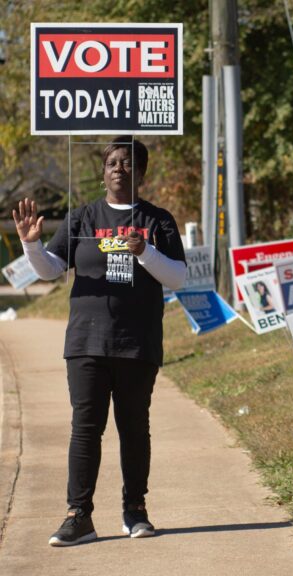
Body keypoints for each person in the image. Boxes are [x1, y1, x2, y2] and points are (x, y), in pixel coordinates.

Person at [13, 136, 187, 546]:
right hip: (86, 343)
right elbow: (50, 270)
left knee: (133, 428)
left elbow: (178, 277)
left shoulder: (158, 220)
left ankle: (136, 511)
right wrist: (30, 242)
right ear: (103, 170)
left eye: (127, 163)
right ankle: (79, 517)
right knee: (85, 429)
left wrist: (145, 251)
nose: (118, 169)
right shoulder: (82, 218)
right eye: (111, 162)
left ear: (141, 173)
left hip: (137, 343)